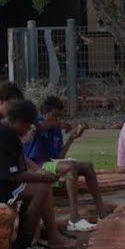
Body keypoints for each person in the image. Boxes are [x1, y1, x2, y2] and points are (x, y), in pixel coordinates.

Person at [0, 99, 72, 249]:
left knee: (40, 188)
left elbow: (17, 170)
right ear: (17, 121)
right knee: (40, 189)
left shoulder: (8, 134)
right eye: (27, 126)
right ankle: (22, 246)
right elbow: (10, 176)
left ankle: (25, 242)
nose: (29, 130)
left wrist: (42, 176)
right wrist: (43, 176)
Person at [25, 96, 109, 232]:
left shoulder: (56, 129)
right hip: (35, 166)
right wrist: (59, 123)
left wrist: (71, 138)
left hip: (50, 164)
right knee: (71, 167)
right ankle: (74, 219)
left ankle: (102, 214)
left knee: (87, 166)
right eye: (55, 115)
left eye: (60, 116)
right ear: (45, 113)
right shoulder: (37, 122)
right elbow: (40, 126)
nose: (58, 119)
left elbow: (59, 157)